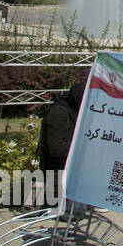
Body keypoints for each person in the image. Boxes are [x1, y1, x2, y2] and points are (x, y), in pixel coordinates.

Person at [38, 79, 86, 208]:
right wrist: (83, 144)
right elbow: (56, 148)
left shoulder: (76, 112)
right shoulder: (59, 112)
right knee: (54, 207)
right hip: (56, 171)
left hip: (68, 170)